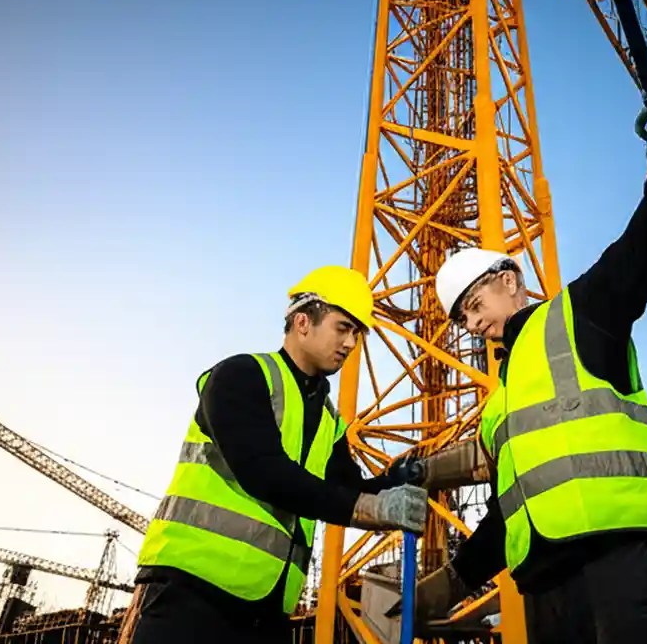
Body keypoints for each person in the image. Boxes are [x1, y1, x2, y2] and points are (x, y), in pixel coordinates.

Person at [393, 127, 647, 643]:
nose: (472, 326)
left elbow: (640, 252)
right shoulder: (502, 402)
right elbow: (513, 511)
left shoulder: (579, 316)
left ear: (510, 281)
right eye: (463, 320)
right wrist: (452, 582)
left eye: (474, 307)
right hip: (545, 588)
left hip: (621, 560)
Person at [122, 265, 429, 644]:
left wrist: (398, 481)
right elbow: (262, 472)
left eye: (357, 334)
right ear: (303, 322)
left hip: (267, 608)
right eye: (342, 328)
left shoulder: (329, 420)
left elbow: (349, 490)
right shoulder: (241, 375)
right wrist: (374, 507)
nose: (351, 344)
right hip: (192, 593)